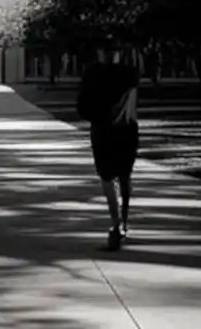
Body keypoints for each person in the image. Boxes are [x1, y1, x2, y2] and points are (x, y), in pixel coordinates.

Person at [77, 51, 140, 250]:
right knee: (124, 176)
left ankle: (115, 222)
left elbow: (82, 105)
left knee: (106, 177)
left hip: (102, 129)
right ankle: (125, 219)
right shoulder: (128, 74)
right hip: (125, 128)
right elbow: (132, 104)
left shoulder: (93, 74)